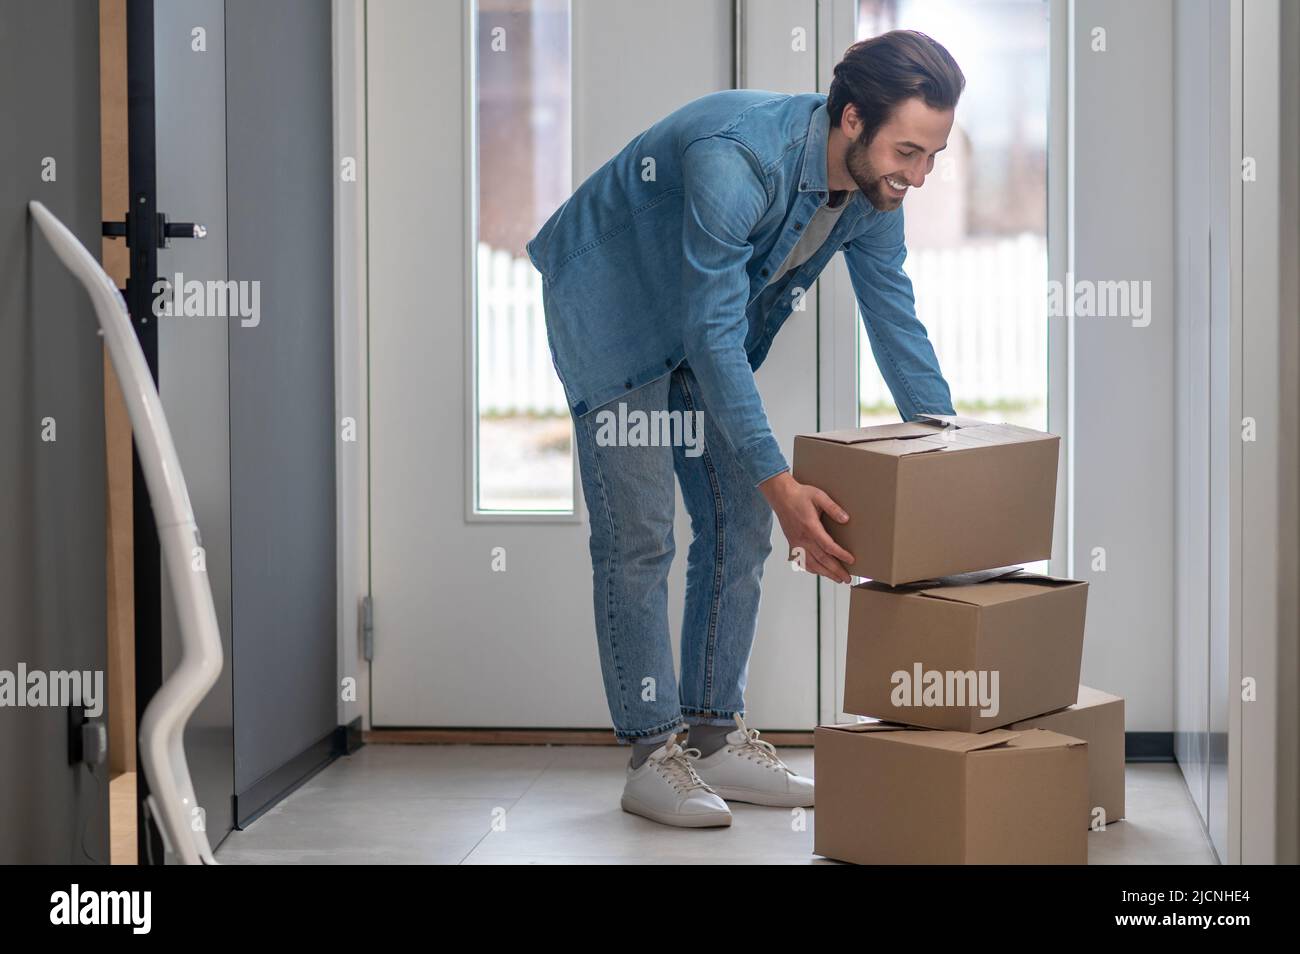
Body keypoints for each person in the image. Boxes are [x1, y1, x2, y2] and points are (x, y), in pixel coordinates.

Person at [526, 30, 964, 828]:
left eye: (933, 155)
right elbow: (713, 337)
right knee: (642, 536)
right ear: (854, 119)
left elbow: (894, 318)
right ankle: (653, 755)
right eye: (909, 150)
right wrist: (784, 482)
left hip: (702, 318)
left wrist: (947, 447)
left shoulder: (873, 196)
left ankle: (715, 736)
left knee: (744, 520)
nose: (919, 175)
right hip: (612, 306)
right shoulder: (738, 160)